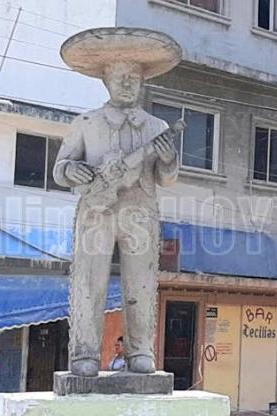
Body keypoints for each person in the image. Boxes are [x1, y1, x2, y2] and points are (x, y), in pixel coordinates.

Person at [53, 28, 182, 376]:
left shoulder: (157, 126)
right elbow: (60, 168)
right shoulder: (86, 123)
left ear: (142, 84)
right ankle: (84, 354)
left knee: (140, 281)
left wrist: (169, 160)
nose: (127, 84)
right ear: (107, 81)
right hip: (96, 210)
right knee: (88, 281)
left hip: (140, 210)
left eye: (134, 79)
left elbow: (166, 179)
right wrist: (73, 171)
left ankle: (141, 352)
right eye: (121, 77)